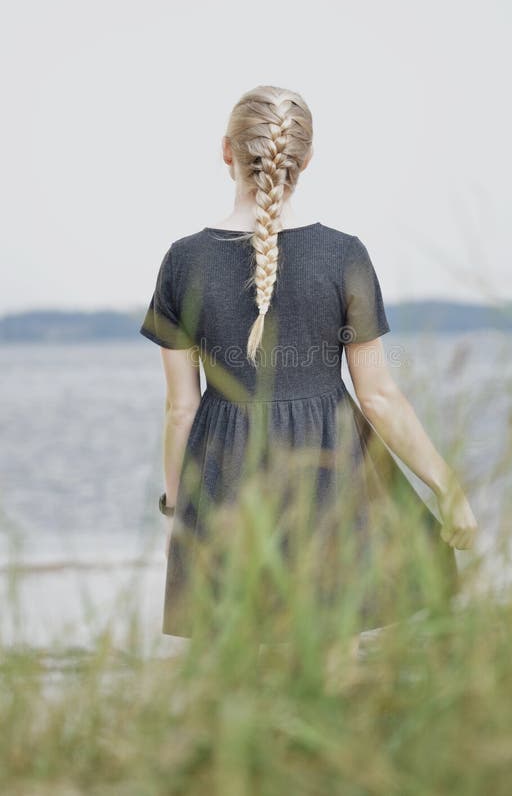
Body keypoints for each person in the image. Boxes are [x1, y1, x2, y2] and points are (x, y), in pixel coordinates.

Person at [139, 84, 478, 639]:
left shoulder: (183, 260)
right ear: (307, 158)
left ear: (226, 151)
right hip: (330, 464)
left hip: (225, 472)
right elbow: (378, 396)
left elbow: (181, 410)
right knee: (330, 649)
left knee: (237, 659)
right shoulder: (344, 255)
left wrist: (177, 511)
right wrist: (447, 487)